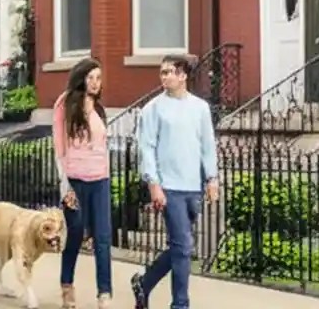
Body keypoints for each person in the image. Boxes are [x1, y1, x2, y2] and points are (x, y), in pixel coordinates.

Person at [131, 54, 220, 309]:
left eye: (170, 72)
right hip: (168, 187)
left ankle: (144, 284)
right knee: (183, 245)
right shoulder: (153, 109)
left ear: (183, 76)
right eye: (162, 72)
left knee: (180, 247)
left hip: (193, 186)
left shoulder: (200, 108)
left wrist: (212, 178)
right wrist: (154, 184)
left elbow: (207, 146)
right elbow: (147, 148)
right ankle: (180, 304)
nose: (165, 76)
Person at [52, 57, 112, 309]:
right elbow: (59, 147)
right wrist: (64, 185)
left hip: (100, 180)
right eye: (91, 78)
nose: (96, 83)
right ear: (81, 78)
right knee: (75, 234)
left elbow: (103, 147)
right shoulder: (65, 104)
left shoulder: (99, 109)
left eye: (99, 78)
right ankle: (67, 286)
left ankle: (104, 294)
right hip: (75, 180)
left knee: (103, 237)